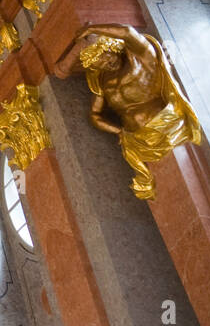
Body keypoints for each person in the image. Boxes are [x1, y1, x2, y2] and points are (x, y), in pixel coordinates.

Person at [79, 24, 202, 199]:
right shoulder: (103, 83)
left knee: (191, 187)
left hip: (167, 127)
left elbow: (127, 32)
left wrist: (93, 29)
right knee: (164, 194)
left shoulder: (141, 57)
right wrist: (119, 131)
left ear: (112, 46)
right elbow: (94, 116)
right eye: (102, 65)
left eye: (107, 58)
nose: (108, 64)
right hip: (135, 140)